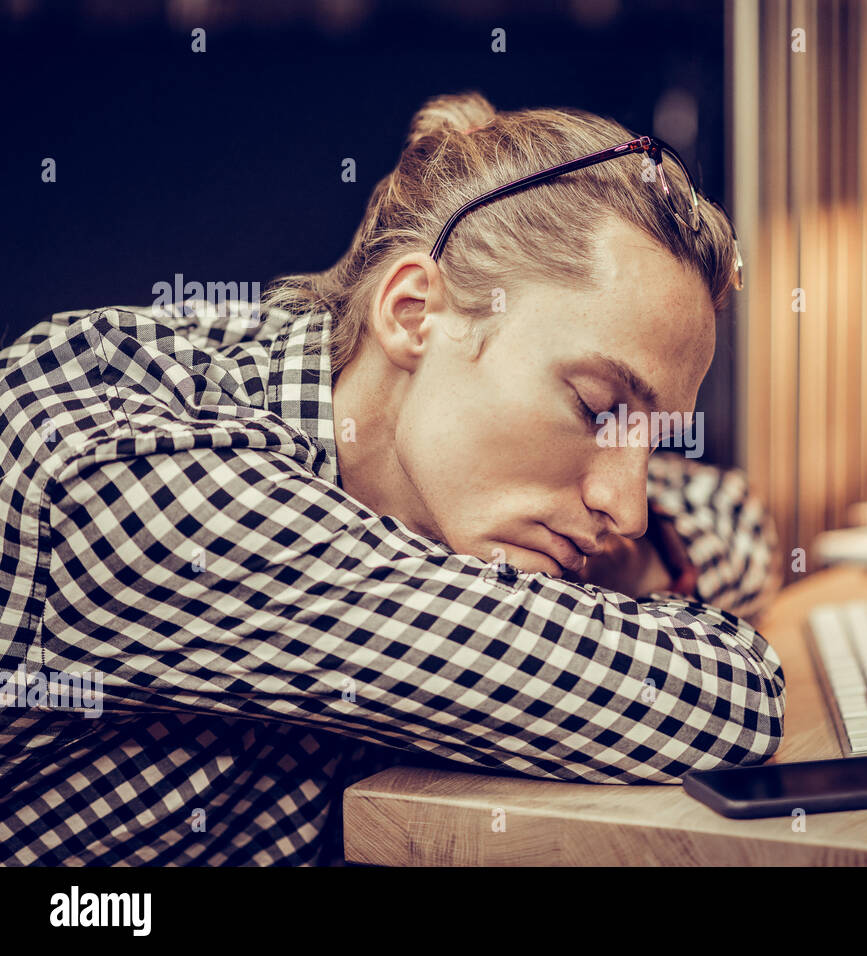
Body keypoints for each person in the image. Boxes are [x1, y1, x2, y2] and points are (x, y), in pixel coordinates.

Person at [0, 92, 785, 866]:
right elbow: (733, 701)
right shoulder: (126, 474)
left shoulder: (438, 476)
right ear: (412, 313)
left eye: (648, 441)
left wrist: (639, 566)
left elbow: (734, 516)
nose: (626, 506)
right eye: (596, 406)